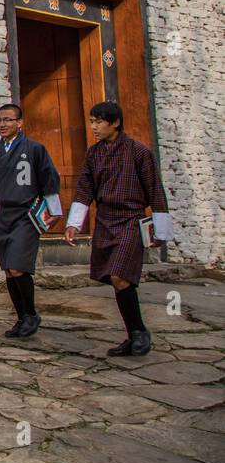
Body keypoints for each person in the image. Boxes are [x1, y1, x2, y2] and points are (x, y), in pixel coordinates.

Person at [65, 102, 172, 357]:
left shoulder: (138, 152)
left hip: (130, 221)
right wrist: (73, 223)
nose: (94, 127)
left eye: (99, 122)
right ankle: (134, 333)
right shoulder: (94, 154)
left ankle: (139, 333)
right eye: (92, 121)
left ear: (115, 123)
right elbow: (84, 188)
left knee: (120, 276)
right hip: (105, 220)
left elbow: (155, 189)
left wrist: (161, 230)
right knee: (115, 279)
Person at [0, 103, 62, 338]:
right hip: (4, 212)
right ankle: (22, 316)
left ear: (20, 123)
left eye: (8, 120)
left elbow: (48, 179)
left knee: (18, 266)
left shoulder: (34, 149)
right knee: (8, 270)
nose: (3, 124)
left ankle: (31, 314)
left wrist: (55, 212)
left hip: (26, 213)